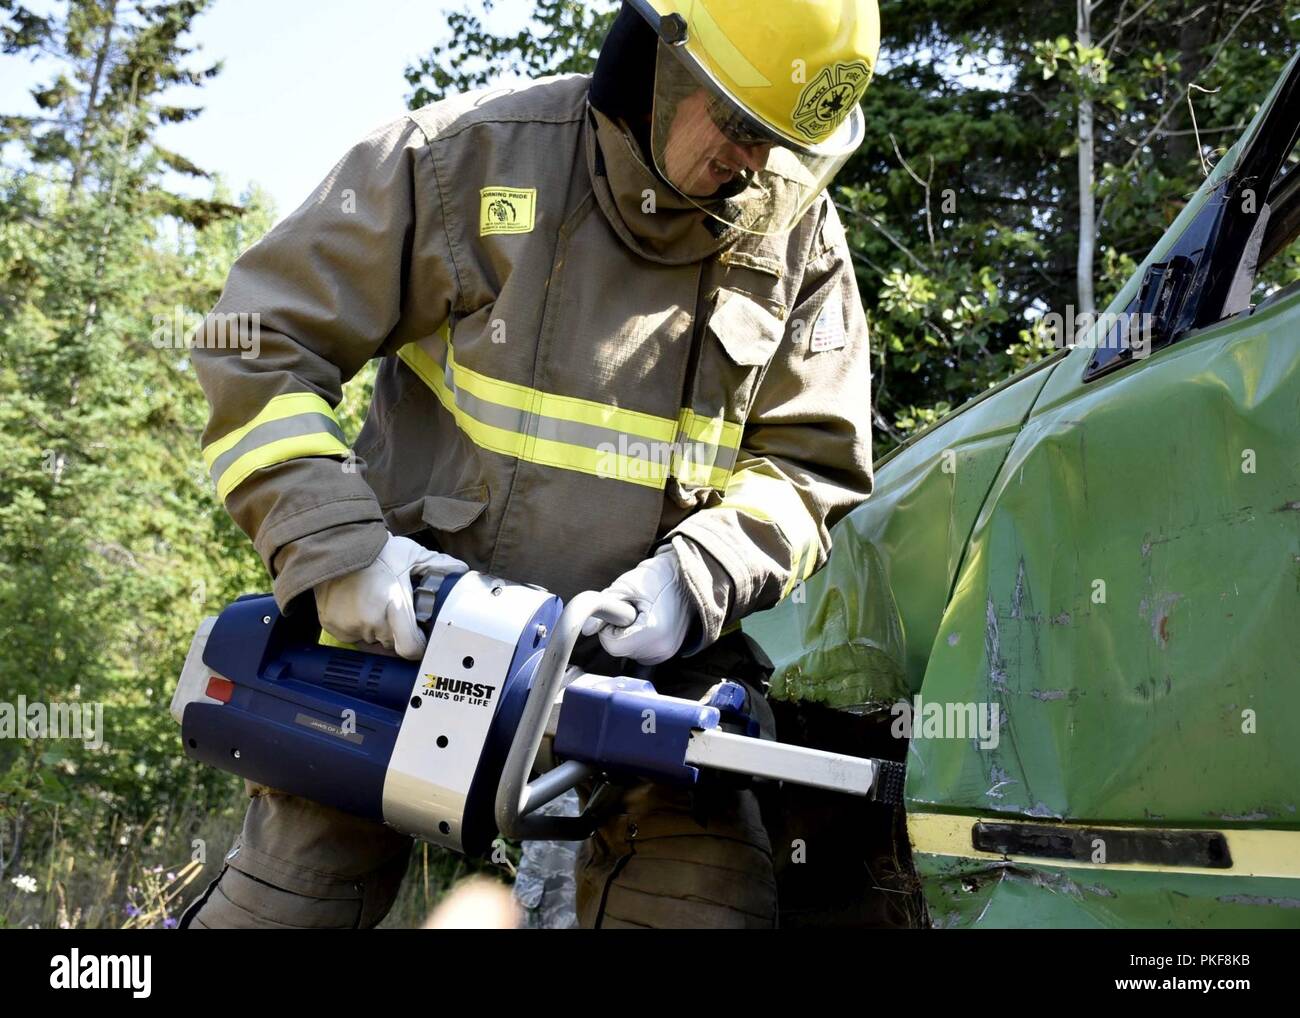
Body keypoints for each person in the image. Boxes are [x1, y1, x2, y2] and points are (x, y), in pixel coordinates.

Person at [180, 0, 880, 929]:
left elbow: (809, 462)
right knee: (292, 900)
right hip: (412, 636)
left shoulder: (798, 236)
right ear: (656, 63)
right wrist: (344, 553)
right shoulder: (465, 158)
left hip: (642, 684)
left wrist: (692, 579)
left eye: (783, 142)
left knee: (704, 902)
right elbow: (257, 344)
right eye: (741, 124)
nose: (755, 163)